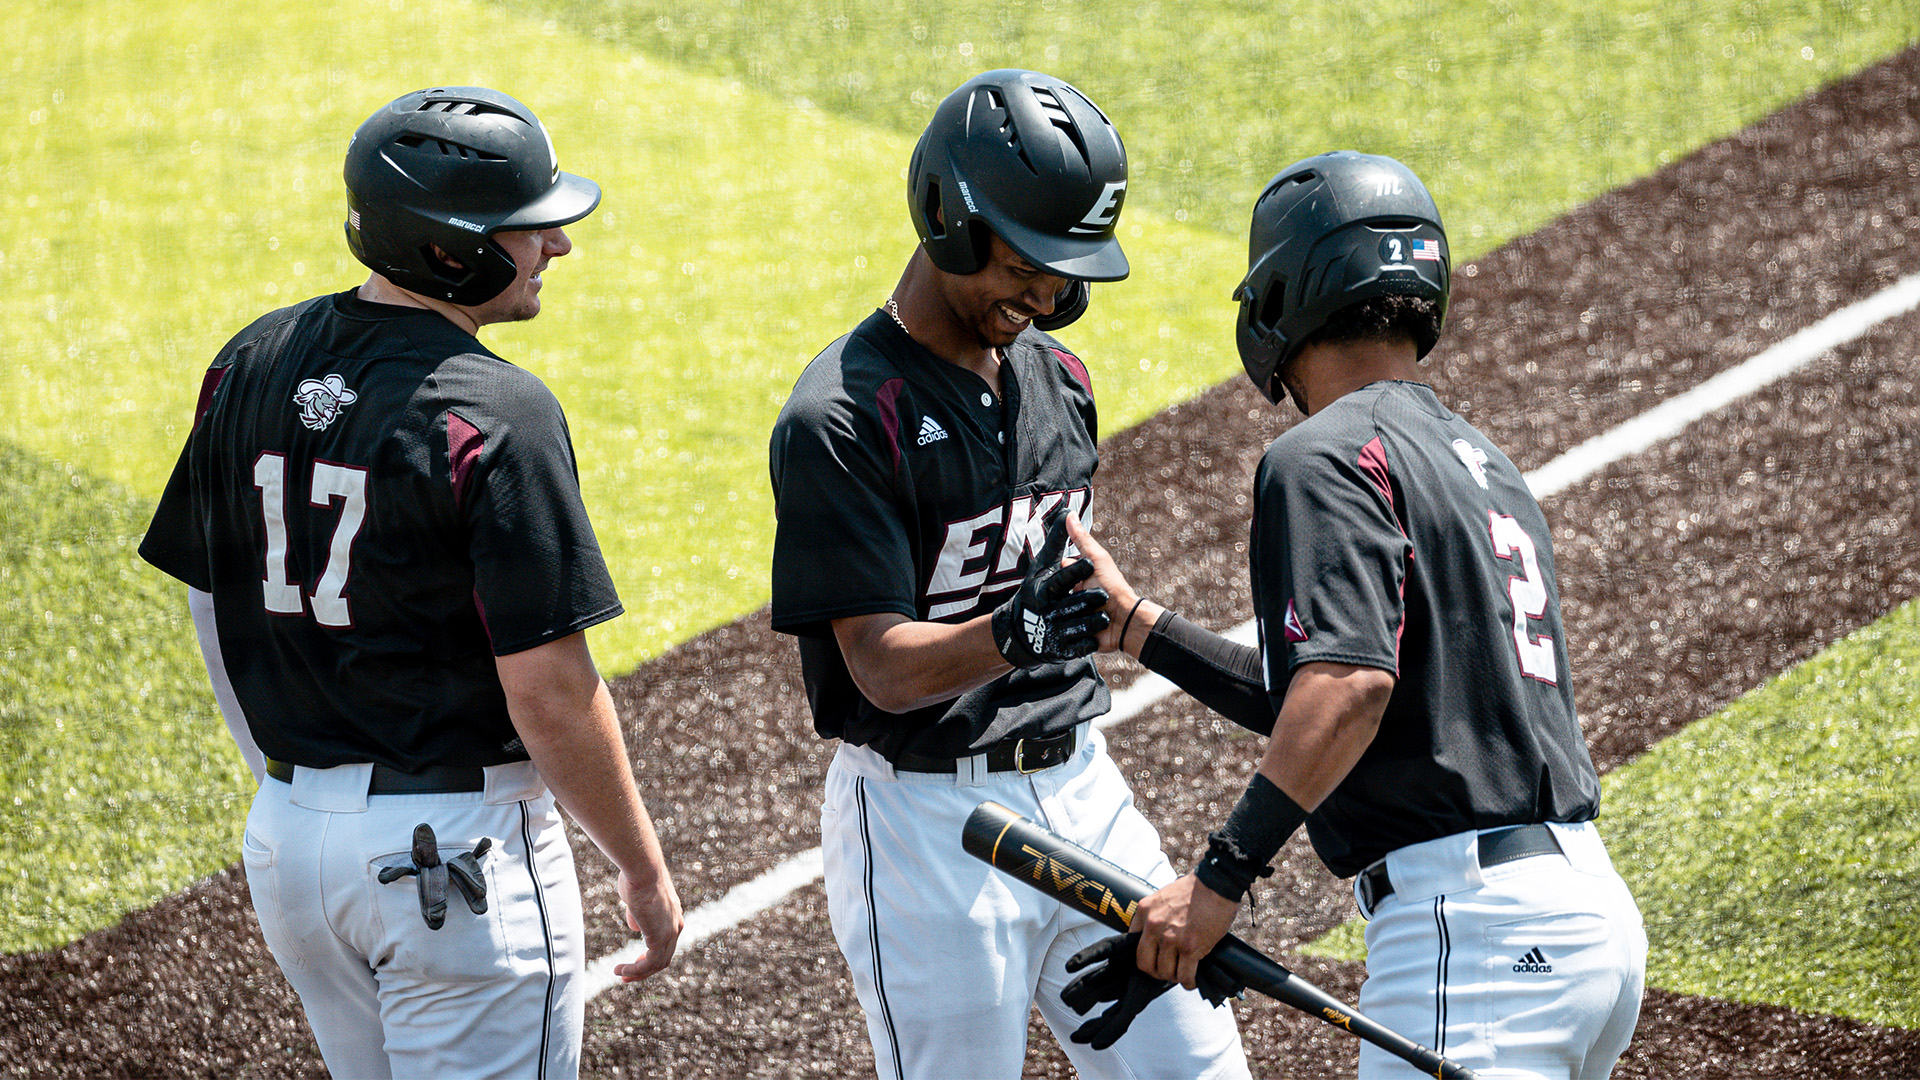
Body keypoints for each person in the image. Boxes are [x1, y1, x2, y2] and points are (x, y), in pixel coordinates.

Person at [1058, 150, 1648, 1078]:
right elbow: (1330, 690)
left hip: (1476, 940)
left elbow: (1347, 689)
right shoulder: (1479, 462)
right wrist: (1137, 626)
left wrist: (1218, 882)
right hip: (1587, 924)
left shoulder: (1325, 454)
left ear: (1286, 293)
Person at [138, 86, 682, 1079]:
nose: (555, 245)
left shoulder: (247, 361)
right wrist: (642, 870)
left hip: (292, 852)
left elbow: (208, 594)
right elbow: (550, 691)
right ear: (450, 251)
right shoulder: (496, 410)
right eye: (528, 229)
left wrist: (283, 782)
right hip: (455, 865)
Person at [767, 69, 1249, 1079]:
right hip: (922, 824)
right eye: (1031, 260)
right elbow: (881, 670)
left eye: (1067, 271)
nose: (1046, 294)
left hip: (1081, 787)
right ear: (951, 218)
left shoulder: (1061, 381)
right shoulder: (845, 419)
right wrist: (1011, 633)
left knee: (1199, 1068)